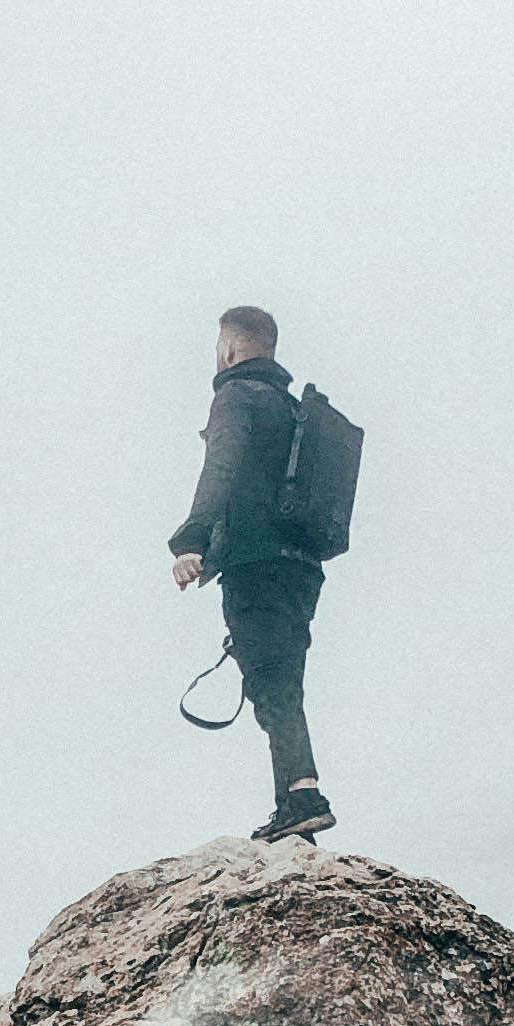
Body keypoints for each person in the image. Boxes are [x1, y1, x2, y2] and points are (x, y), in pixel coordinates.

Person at [168, 304, 335, 842]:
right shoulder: (290, 408)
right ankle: (297, 802)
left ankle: (303, 798)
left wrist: (191, 540)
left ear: (230, 349)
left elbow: (220, 467)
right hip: (302, 566)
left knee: (271, 681)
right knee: (283, 680)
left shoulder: (234, 397)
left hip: (254, 561)